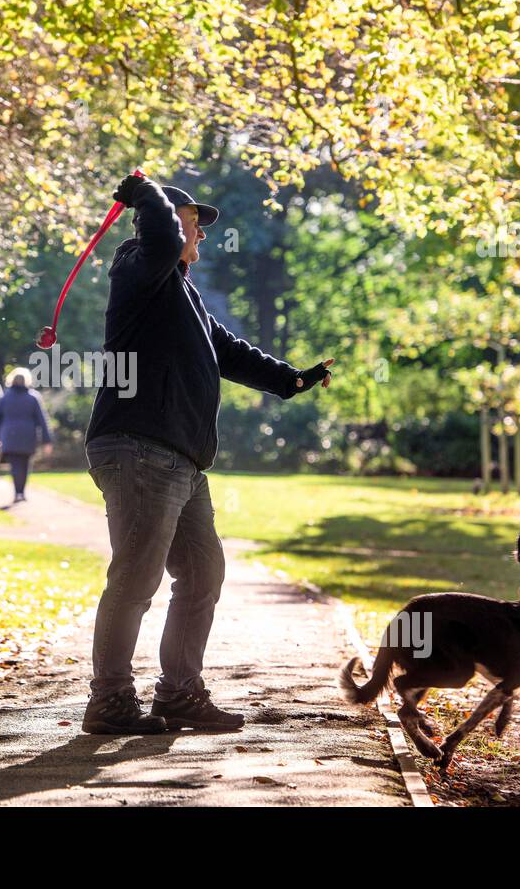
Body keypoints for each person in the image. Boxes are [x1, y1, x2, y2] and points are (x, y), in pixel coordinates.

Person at [81, 172, 335, 735]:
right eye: (193, 224)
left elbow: (228, 351)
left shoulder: (182, 292)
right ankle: (111, 701)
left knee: (202, 575)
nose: (199, 236)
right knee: (136, 579)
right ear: (165, 225)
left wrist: (290, 381)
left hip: (182, 460)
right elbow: (163, 239)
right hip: (139, 446)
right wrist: (150, 198)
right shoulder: (138, 269)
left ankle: (178, 694)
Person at [0, 367, 53, 503]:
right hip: (28, 435)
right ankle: (21, 492)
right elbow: (42, 420)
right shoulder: (33, 397)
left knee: (15, 465)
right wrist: (47, 441)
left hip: (9, 435)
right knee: (25, 466)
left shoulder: (5, 397)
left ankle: (17, 493)